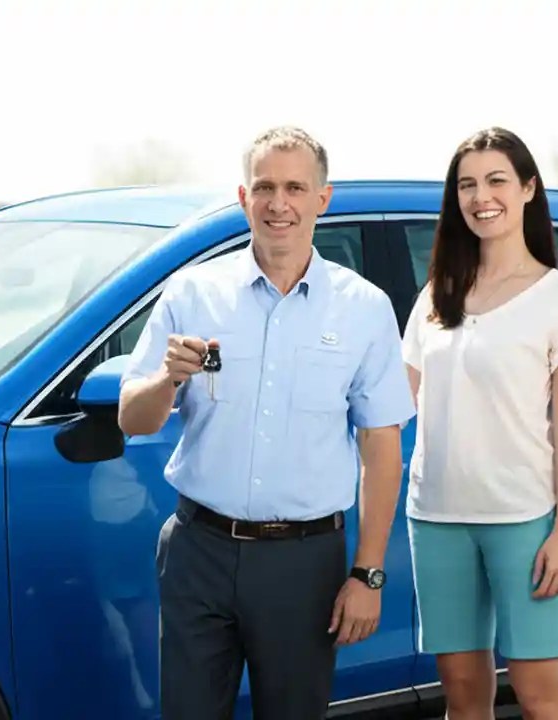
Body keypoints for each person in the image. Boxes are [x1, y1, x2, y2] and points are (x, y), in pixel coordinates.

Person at [118, 126, 416, 719]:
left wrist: (369, 574)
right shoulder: (193, 292)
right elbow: (134, 418)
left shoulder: (363, 308)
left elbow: (383, 450)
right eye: (265, 187)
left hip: (303, 563)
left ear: (322, 199)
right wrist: (167, 379)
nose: (279, 203)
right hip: (197, 552)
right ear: (243, 197)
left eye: (295, 188)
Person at [401, 127, 558, 720]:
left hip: (524, 521)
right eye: (466, 184)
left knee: (541, 697)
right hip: (435, 518)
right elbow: (395, 404)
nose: (480, 196)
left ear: (528, 188)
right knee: (461, 694)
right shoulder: (437, 294)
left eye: (495, 181)